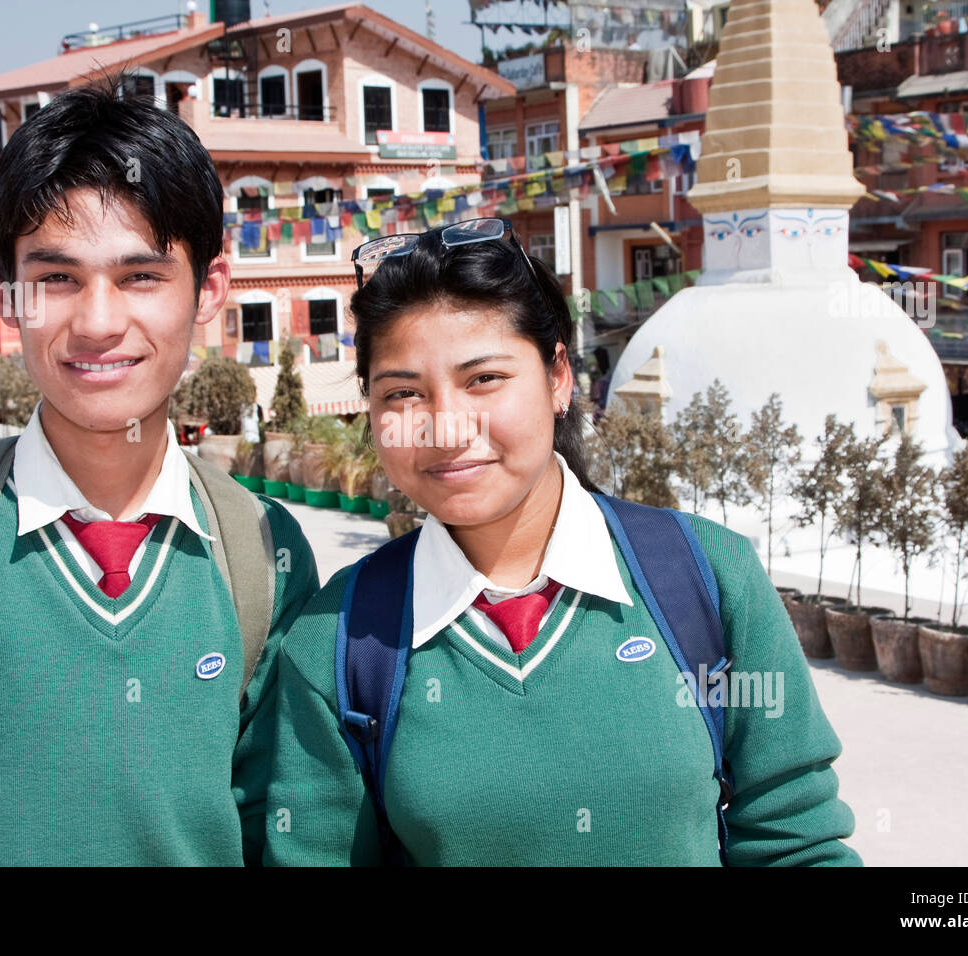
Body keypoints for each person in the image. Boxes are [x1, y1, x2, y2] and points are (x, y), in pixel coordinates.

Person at [0, 75, 318, 866]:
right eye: (56, 279)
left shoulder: (262, 553)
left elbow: (280, 823)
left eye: (141, 277)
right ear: (5, 293)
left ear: (209, 290)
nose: (99, 323)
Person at [257, 218, 861, 865]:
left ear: (558, 379)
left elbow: (796, 842)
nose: (447, 427)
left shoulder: (707, 580)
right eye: (403, 392)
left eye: (484, 379)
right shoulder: (339, 642)